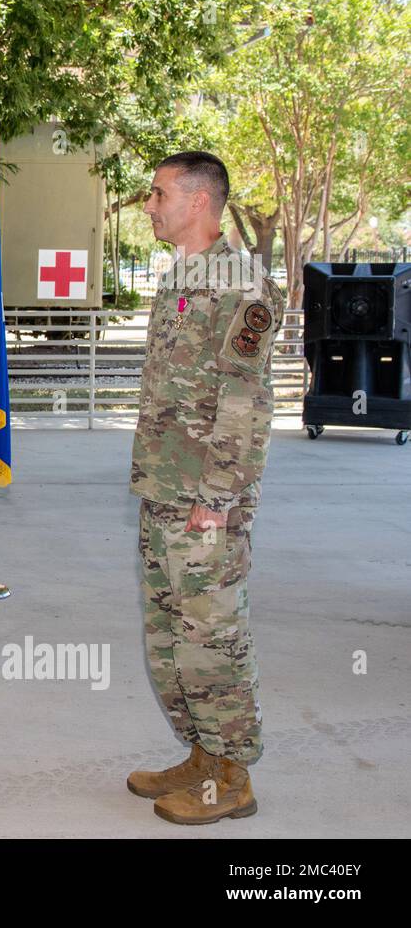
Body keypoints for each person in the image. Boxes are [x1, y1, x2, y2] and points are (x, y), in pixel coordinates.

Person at [128, 151, 285, 824]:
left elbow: (245, 404)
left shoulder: (240, 284)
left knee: (211, 635)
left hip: (204, 499)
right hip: (165, 487)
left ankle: (234, 776)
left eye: (159, 193)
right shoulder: (182, 278)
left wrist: (216, 499)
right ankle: (201, 755)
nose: (150, 204)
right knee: (170, 637)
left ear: (198, 202)